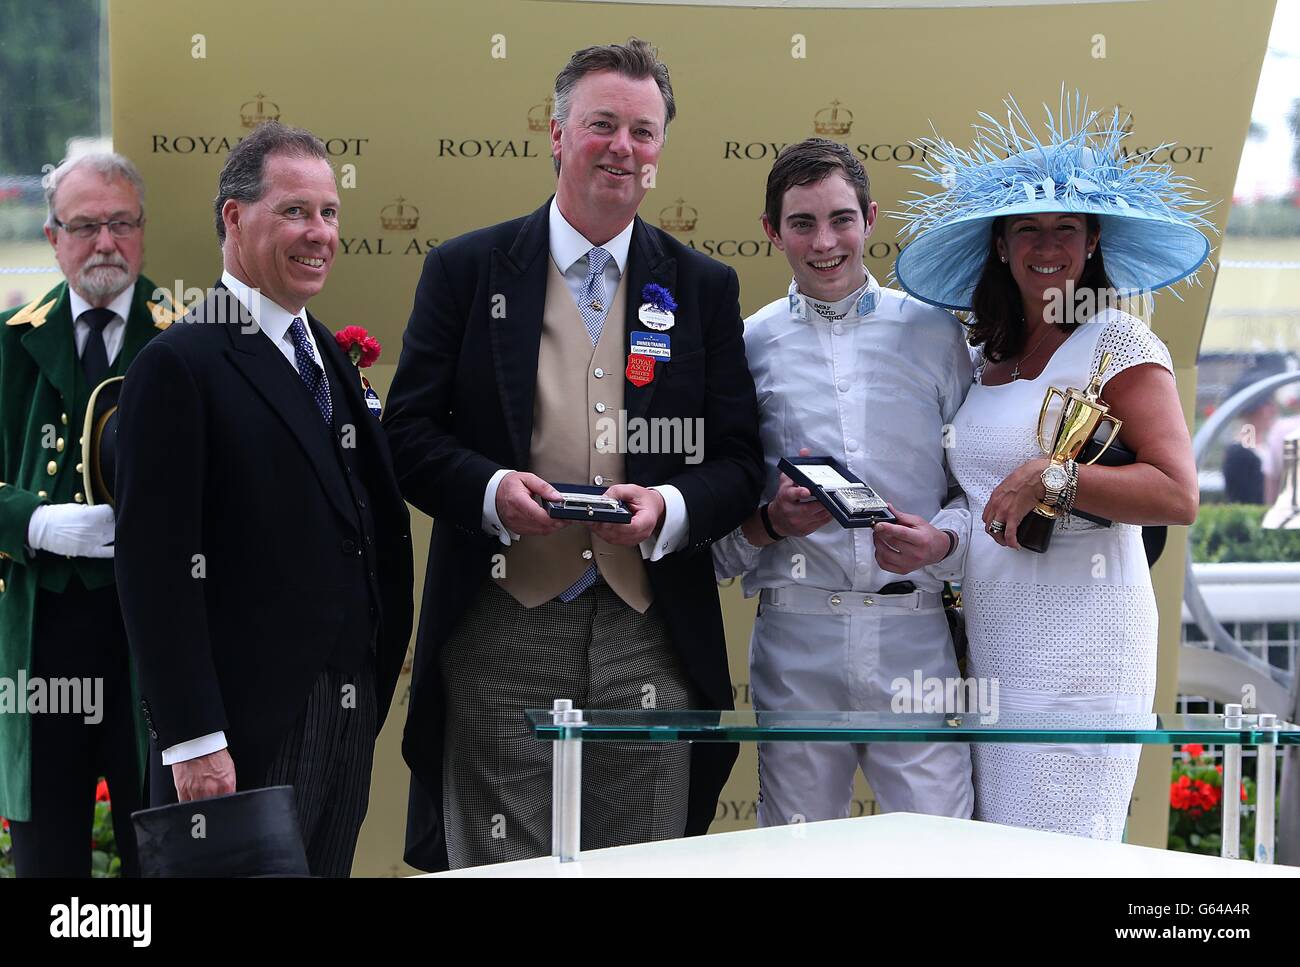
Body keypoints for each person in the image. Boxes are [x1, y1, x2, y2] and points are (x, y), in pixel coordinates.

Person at [385, 38, 763, 870]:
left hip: (650, 634)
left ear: (660, 147)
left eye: (643, 131)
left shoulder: (701, 286)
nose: (623, 147)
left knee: (641, 864)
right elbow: (407, 436)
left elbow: (740, 459)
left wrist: (670, 507)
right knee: (503, 868)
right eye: (602, 125)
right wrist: (488, 491)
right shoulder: (464, 268)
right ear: (556, 134)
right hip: (498, 627)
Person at [894, 95, 1205, 840]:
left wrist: (1053, 476)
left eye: (1065, 227)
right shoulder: (984, 356)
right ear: (1000, 246)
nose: (1047, 244)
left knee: (1061, 852)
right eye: (1027, 227)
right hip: (998, 650)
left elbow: (1177, 492)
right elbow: (982, 506)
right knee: (1003, 850)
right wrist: (938, 545)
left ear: (1092, 241)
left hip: (1087, 655)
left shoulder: (1118, 343)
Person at [113, 121, 414, 877]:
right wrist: (192, 738)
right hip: (241, 735)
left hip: (344, 718)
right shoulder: (179, 364)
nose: (320, 233)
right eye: (295, 212)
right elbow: (153, 571)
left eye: (330, 213)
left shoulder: (329, 359)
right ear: (234, 218)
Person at [712, 138, 973, 827]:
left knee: (943, 859)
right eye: (802, 223)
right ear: (772, 231)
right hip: (797, 636)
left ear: (871, 218)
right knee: (797, 863)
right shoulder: (749, 344)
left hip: (914, 635)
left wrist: (941, 541)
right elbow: (721, 523)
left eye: (841, 219)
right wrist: (771, 522)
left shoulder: (936, 334)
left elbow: (976, 493)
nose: (824, 242)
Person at [0, 152, 164, 876]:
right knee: (45, 854)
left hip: (152, 636)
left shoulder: (185, 336)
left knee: (159, 841)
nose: (106, 243)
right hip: (41, 635)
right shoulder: (9, 340)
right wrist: (33, 522)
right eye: (87, 225)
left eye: (121, 224)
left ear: (142, 230)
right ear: (53, 235)